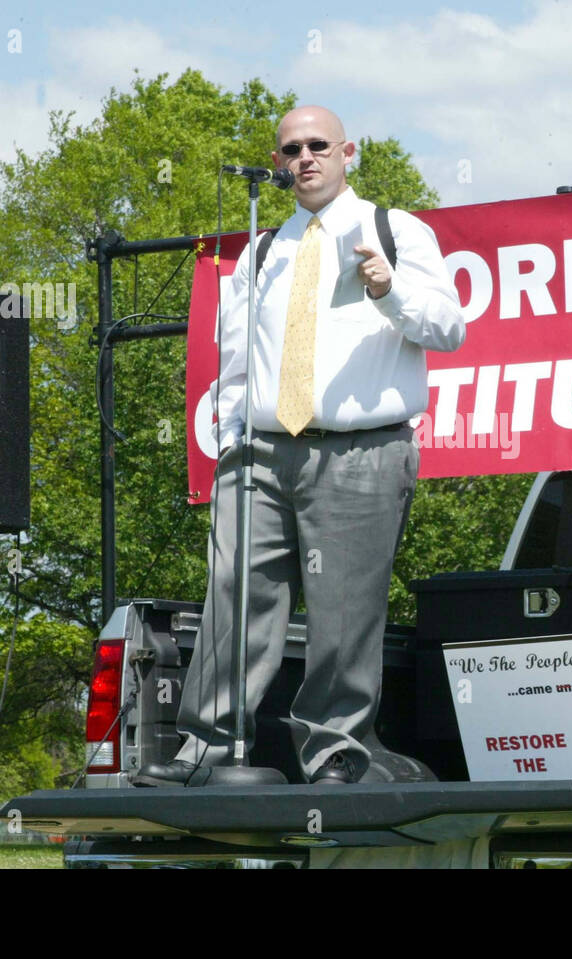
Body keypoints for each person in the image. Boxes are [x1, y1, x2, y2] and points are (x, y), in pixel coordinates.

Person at [137, 105, 466, 787]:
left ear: (350, 153)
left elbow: (447, 327)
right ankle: (208, 747)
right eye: (292, 149)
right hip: (259, 453)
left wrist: (389, 288)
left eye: (319, 145)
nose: (305, 158)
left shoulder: (394, 230)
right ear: (279, 163)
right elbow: (235, 360)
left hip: (358, 451)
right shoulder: (262, 248)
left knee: (343, 610)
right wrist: (231, 440)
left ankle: (336, 754)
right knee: (233, 594)